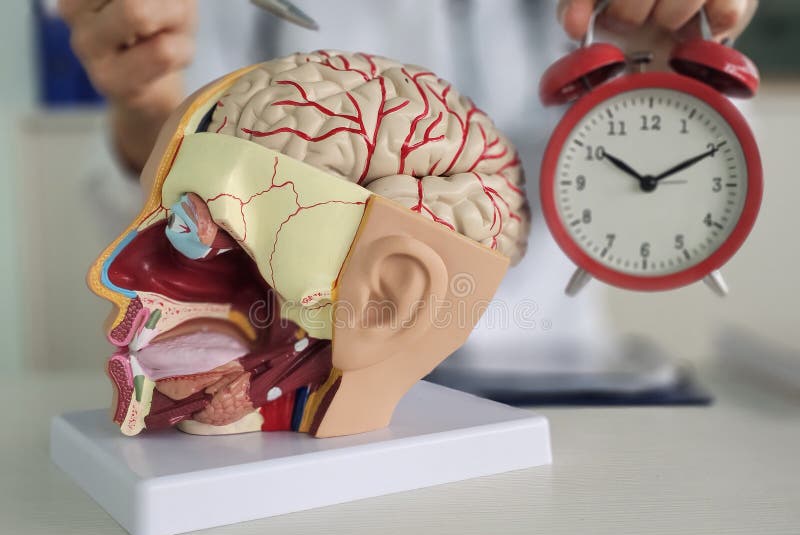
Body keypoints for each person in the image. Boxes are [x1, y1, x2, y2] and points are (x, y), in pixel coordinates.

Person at [57, 0, 758, 389]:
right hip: (291, 391)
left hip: (551, 374)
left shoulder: (580, 12)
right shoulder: (218, 9)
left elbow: (683, 205)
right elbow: (166, 236)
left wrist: (666, 65)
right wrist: (149, 112)